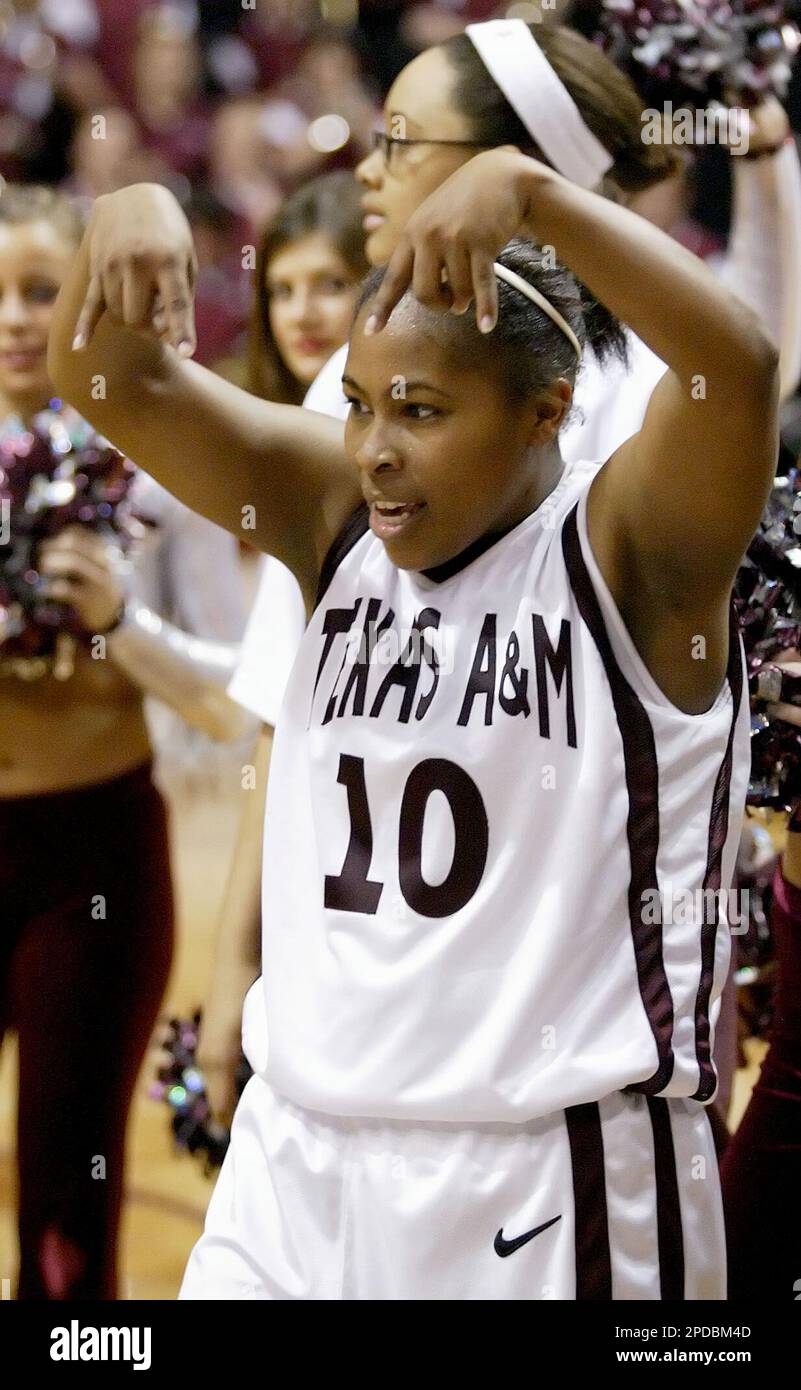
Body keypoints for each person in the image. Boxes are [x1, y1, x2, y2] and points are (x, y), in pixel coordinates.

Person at [48, 125, 778, 1295]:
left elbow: (735, 367)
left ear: (546, 412)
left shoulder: (634, 554)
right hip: (297, 1151)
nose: (376, 451)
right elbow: (104, 379)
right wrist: (123, 209)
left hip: (546, 1174)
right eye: (357, 405)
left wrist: (539, 197)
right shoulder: (330, 514)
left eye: (422, 412)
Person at [0, 183, 247, 1300]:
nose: (13, 317)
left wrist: (118, 623)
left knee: (66, 1217)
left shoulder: (161, 467)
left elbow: (236, 704)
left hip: (88, 862)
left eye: (41, 292)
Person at [201, 172, 369, 1126]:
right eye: (282, 287)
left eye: (331, 284)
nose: (304, 311)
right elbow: (269, 708)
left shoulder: (333, 428)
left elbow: (262, 711)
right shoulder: (279, 427)